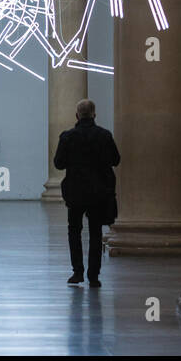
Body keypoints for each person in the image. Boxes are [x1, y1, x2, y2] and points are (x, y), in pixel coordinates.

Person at [54, 98, 119, 287]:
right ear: (94, 115)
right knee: (95, 233)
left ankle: (77, 271)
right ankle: (93, 275)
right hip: (99, 192)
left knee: (74, 231)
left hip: (75, 191)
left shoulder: (67, 137)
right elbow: (116, 160)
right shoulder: (104, 135)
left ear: (77, 115)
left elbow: (59, 164)